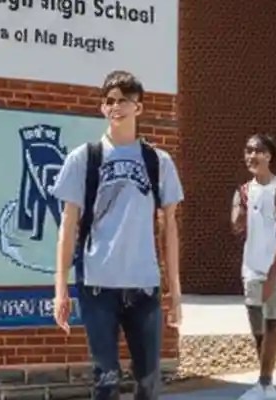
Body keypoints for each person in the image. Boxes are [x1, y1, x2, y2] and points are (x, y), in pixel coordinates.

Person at [51, 70, 184, 400]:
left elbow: (170, 229)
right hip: (98, 285)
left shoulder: (158, 161)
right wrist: (60, 290)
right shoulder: (84, 158)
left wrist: (176, 293)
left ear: (139, 107)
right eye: (109, 101)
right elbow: (67, 228)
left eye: (124, 100)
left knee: (149, 382)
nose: (116, 107)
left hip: (143, 285)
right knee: (105, 380)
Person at [229, 133, 276, 400]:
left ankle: (264, 382)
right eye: (248, 150)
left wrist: (273, 272)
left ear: (269, 155)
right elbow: (237, 227)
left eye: (258, 151)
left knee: (272, 323)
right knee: (257, 326)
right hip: (251, 267)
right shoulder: (245, 191)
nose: (252, 155)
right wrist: (238, 211)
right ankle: (265, 384)